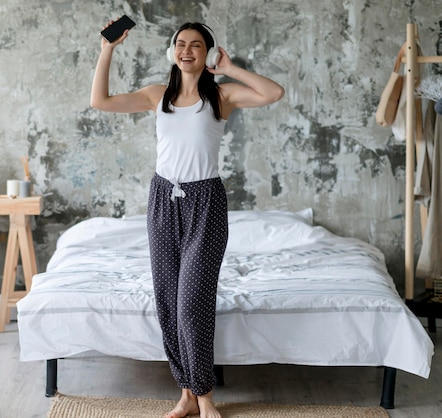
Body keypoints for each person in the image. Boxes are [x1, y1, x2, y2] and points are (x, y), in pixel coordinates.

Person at [90, 19, 284, 418]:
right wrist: (107, 48)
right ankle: (186, 393)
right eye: (181, 43)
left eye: (197, 45)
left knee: (192, 301)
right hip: (163, 199)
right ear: (171, 51)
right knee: (168, 302)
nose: (187, 50)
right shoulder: (156, 95)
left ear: (208, 53)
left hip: (206, 202)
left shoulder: (221, 96)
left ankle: (205, 393)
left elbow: (273, 92)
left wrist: (228, 67)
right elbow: (100, 101)